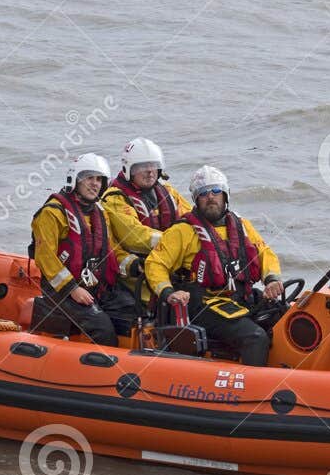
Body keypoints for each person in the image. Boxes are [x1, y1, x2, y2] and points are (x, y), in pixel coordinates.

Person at [144, 164, 285, 367]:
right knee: (255, 337)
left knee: (283, 316)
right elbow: (155, 264)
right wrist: (168, 292)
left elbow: (264, 253)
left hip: (239, 298)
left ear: (225, 195)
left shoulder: (241, 225)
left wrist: (272, 280)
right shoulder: (183, 231)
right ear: (196, 199)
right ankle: (253, 392)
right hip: (203, 304)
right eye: (203, 193)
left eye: (216, 191)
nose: (210, 196)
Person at [28, 154, 141, 346]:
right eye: (89, 178)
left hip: (95, 286)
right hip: (62, 292)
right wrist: (72, 289)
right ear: (76, 180)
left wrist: (134, 265)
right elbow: (45, 257)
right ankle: (101, 369)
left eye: (99, 179)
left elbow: (112, 250)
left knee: (134, 310)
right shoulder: (52, 213)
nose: (95, 184)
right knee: (102, 327)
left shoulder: (100, 213)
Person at [102, 137, 190, 254]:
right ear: (128, 169)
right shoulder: (115, 198)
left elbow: (190, 217)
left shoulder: (168, 190)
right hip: (139, 261)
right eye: (142, 166)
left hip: (172, 253)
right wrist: (175, 240)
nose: (149, 171)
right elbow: (134, 236)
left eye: (153, 165)